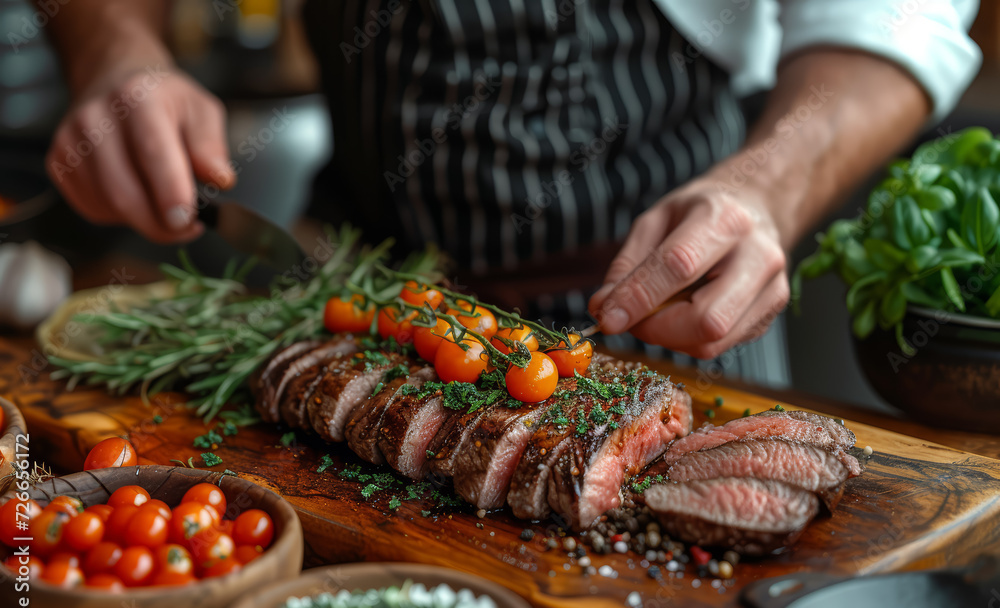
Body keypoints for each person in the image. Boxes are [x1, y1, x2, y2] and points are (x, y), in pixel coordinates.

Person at [39, 0, 981, 362]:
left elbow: (896, 21)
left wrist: (767, 188)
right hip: (341, 308)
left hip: (673, 313)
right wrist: (114, 47)